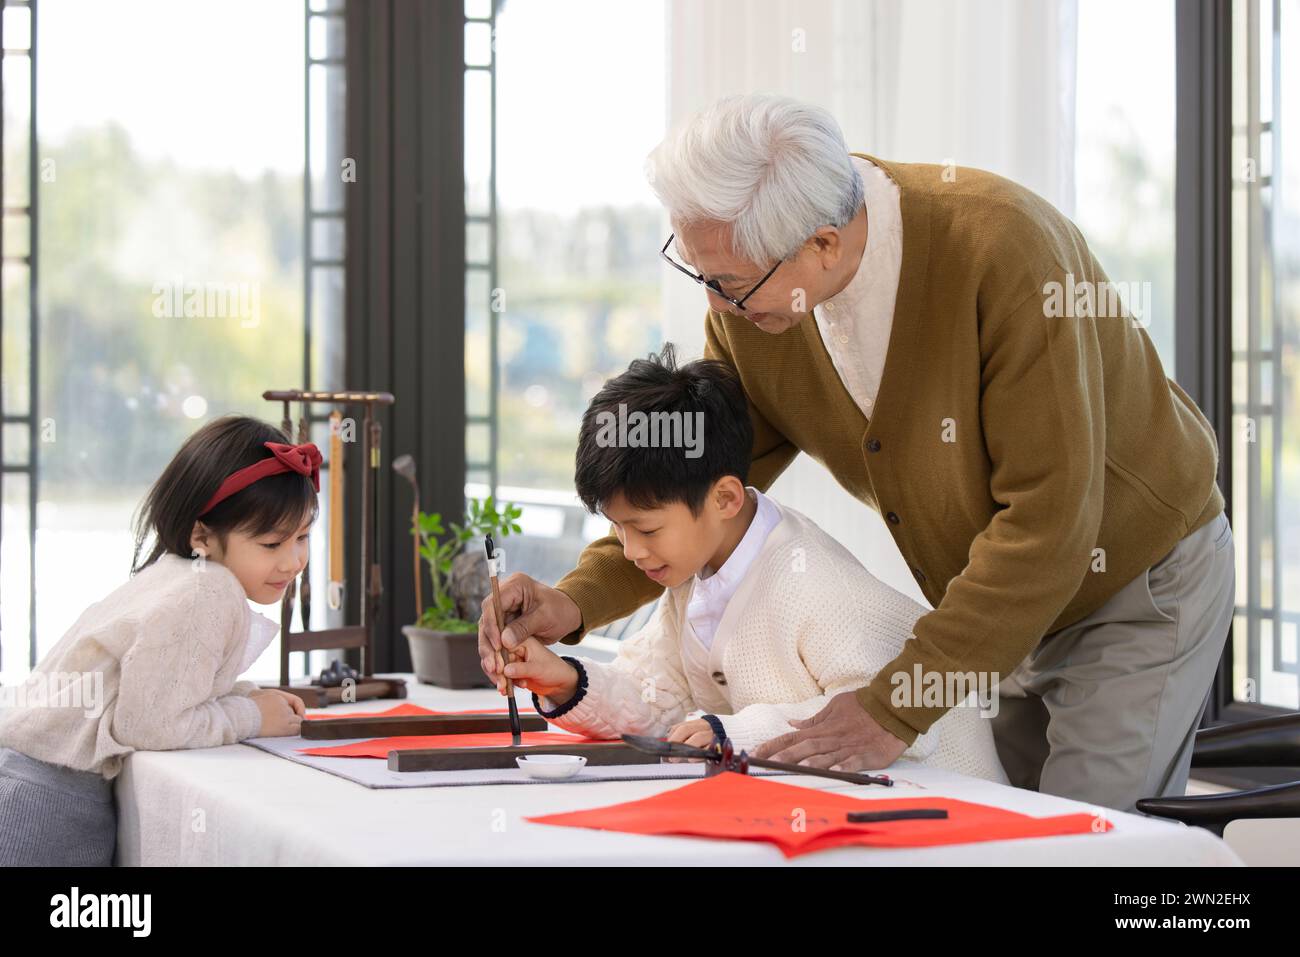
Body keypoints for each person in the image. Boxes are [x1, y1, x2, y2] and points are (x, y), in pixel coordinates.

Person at [480, 93, 1233, 813]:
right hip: (1002, 604)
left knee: (1081, 841)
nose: (717, 306)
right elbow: (698, 484)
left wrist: (892, 706)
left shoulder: (1004, 251)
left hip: (1135, 581)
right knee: (998, 829)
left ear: (823, 244)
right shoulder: (756, 300)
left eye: (731, 285)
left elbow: (1049, 526)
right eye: (699, 273)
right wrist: (575, 599)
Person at [489, 344, 1007, 782]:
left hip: (951, 812)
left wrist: (731, 732)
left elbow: (889, 719)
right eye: (617, 528)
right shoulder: (693, 574)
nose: (629, 552)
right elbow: (658, 704)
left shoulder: (815, 582)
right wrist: (561, 680)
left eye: (645, 529)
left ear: (725, 499)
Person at [0, 415, 317, 866]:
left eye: (302, 537)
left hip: (31, 781)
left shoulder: (178, 575)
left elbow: (162, 692)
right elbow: (150, 725)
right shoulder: (207, 590)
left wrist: (247, 695)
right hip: (47, 805)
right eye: (271, 544)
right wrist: (250, 715)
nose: (293, 561)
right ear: (202, 535)